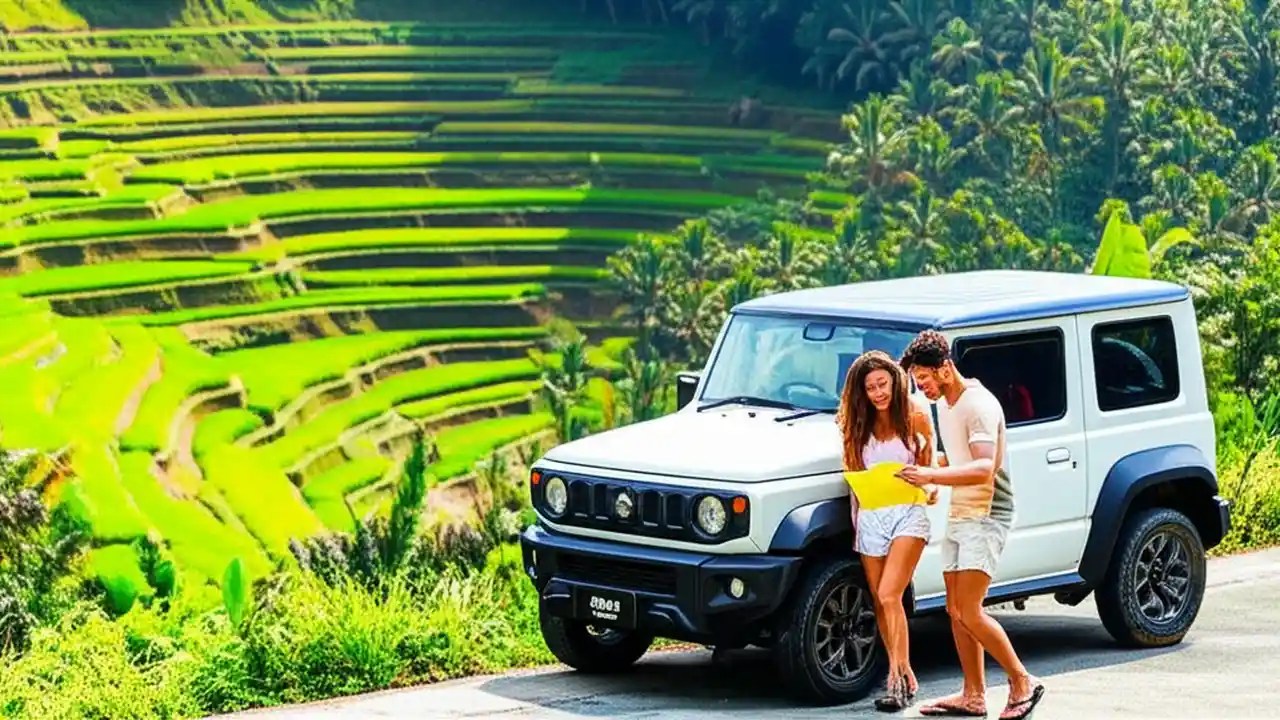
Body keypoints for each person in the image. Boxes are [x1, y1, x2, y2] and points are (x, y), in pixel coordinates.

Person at [895, 331, 1046, 720]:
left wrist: (931, 474)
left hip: (988, 510)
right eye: (917, 381)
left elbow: (982, 468)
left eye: (924, 379)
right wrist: (930, 467)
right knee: (954, 608)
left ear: (945, 368)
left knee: (970, 609)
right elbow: (962, 458)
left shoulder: (978, 404)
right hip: (962, 510)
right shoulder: (946, 404)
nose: (921, 388)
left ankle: (1023, 682)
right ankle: (973, 695)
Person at [835, 350, 937, 712]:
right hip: (871, 515)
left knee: (891, 594)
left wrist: (928, 486)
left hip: (908, 511)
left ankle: (895, 680)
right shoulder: (855, 426)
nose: (878, 392)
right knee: (880, 599)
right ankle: (904, 672)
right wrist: (858, 522)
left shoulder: (915, 416)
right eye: (871, 387)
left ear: (895, 381)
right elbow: (853, 477)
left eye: (883, 384)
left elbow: (930, 470)